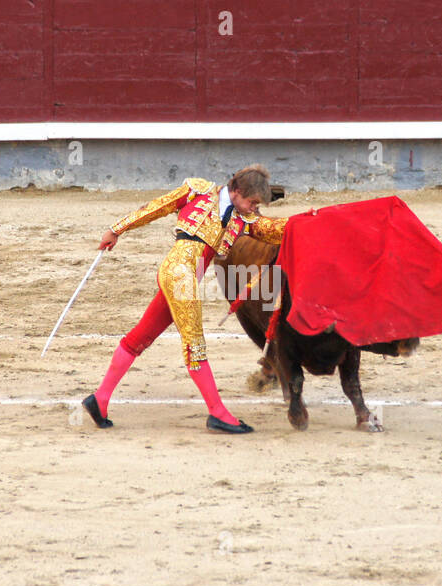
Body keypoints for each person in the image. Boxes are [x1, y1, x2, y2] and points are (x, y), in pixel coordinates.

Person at [83, 166, 289, 434]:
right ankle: (218, 413)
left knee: (139, 338)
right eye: (251, 202)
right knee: (195, 346)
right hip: (179, 274)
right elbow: (157, 207)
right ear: (237, 191)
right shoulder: (198, 191)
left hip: (185, 276)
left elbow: (277, 229)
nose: (253, 209)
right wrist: (117, 229)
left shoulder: (243, 220)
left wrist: (315, 220)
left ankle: (99, 400)